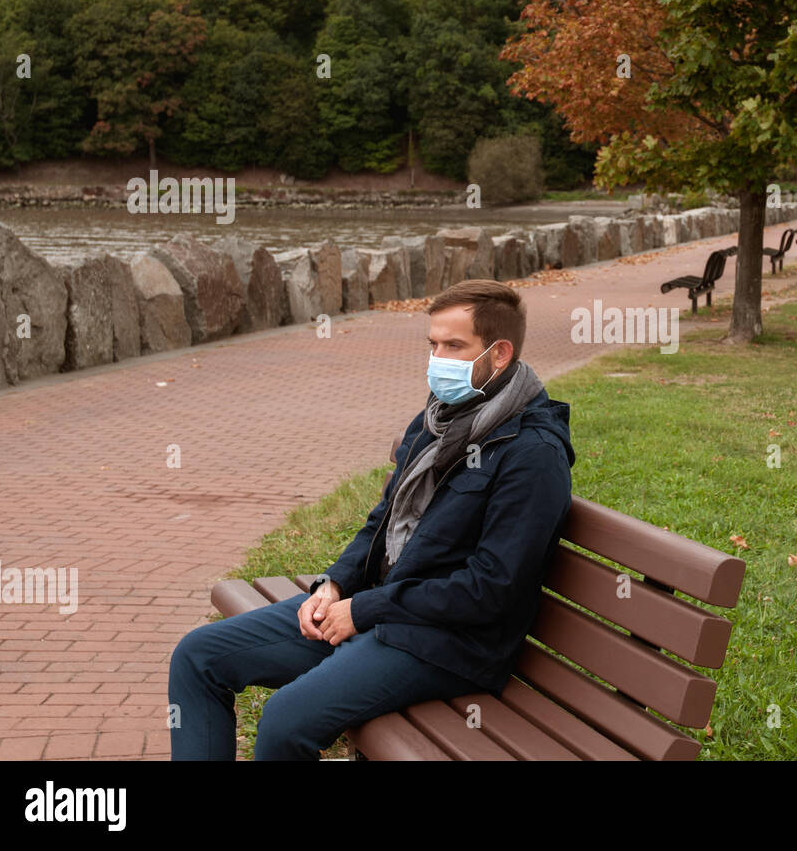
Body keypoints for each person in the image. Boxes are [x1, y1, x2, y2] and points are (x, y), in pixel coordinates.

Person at [168, 280, 575, 759]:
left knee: (284, 718)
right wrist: (335, 585)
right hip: (380, 614)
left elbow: (491, 589)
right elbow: (381, 521)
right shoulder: (440, 419)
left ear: (499, 354)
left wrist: (365, 610)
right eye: (433, 345)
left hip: (447, 645)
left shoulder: (531, 453)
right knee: (198, 656)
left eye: (454, 346)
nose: (437, 359)